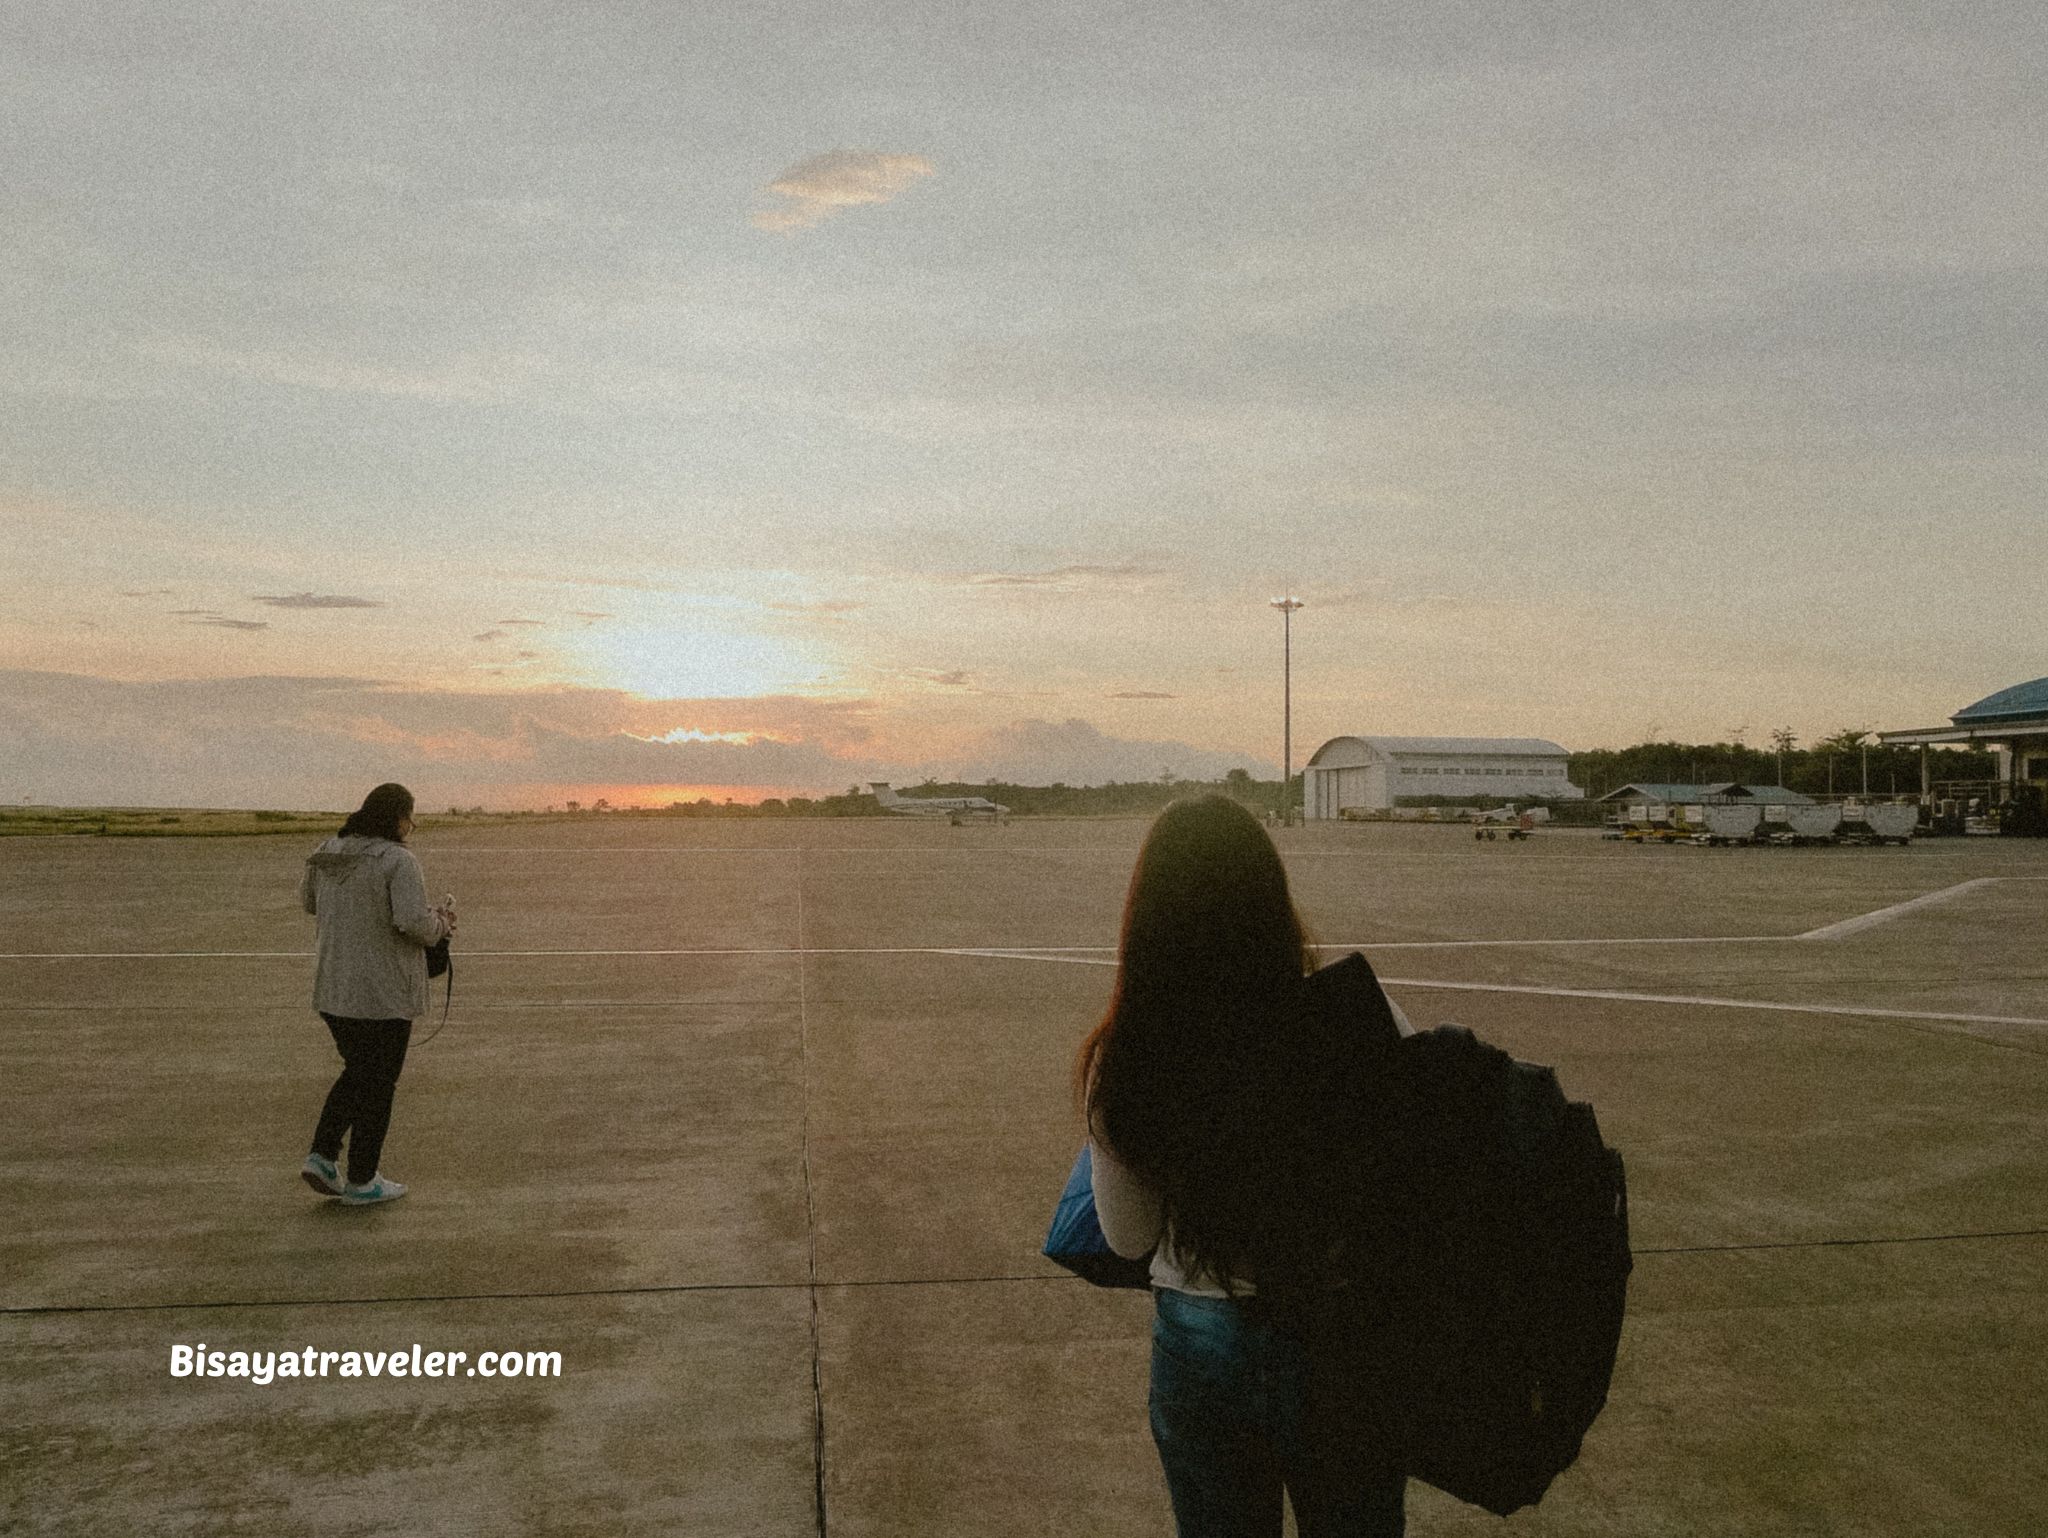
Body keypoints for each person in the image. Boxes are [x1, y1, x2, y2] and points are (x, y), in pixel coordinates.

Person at [1076, 796, 1412, 1538]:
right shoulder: (1360, 1016)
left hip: (1204, 1337)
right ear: (1272, 901)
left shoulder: (1128, 1058)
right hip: (1339, 1332)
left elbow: (1128, 1239)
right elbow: (1412, 1171)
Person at [297, 783, 454, 1206]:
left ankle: (323, 1154)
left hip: (333, 988)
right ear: (397, 817)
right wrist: (440, 922)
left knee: (359, 1072)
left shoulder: (328, 850)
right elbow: (411, 922)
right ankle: (362, 1179)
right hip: (382, 993)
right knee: (379, 1083)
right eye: (410, 817)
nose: (410, 826)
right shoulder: (397, 860)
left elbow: (309, 902)